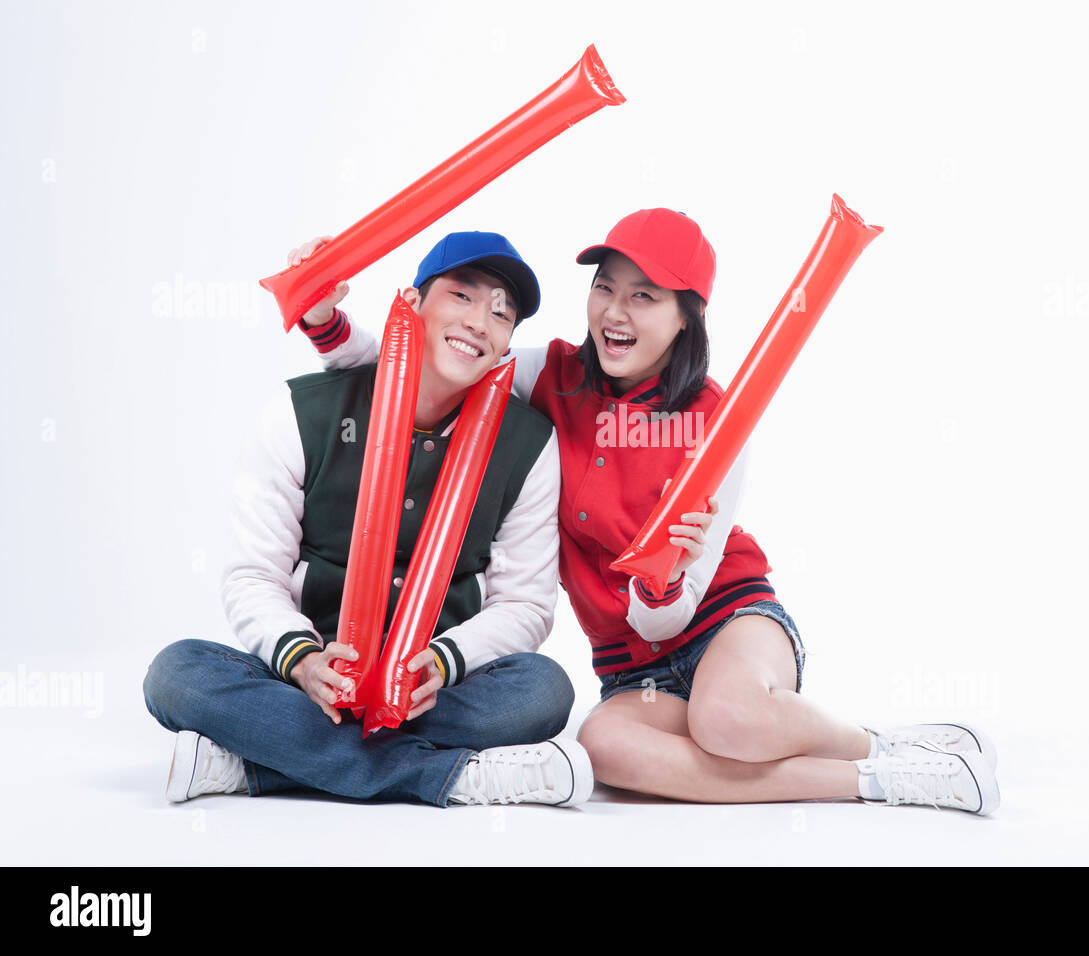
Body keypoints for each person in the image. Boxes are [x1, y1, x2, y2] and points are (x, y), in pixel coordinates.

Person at [300, 210, 1001, 814]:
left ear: (684, 315)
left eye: (643, 296)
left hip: (724, 619)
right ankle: (872, 781)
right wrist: (330, 327)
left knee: (727, 718)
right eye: (604, 287)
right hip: (633, 671)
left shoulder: (714, 423)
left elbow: (674, 609)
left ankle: (883, 749)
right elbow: (433, 366)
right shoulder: (551, 374)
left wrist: (665, 581)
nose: (614, 312)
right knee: (601, 746)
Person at [142, 231, 593, 809]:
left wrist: (443, 662)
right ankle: (455, 777)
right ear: (412, 304)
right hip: (310, 679)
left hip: (432, 684)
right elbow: (254, 575)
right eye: (462, 296)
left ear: (507, 342)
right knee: (176, 674)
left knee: (544, 691)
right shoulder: (305, 411)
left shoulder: (529, 442)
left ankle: (257, 765)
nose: (481, 321)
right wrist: (303, 663)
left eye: (502, 313)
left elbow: (525, 604)